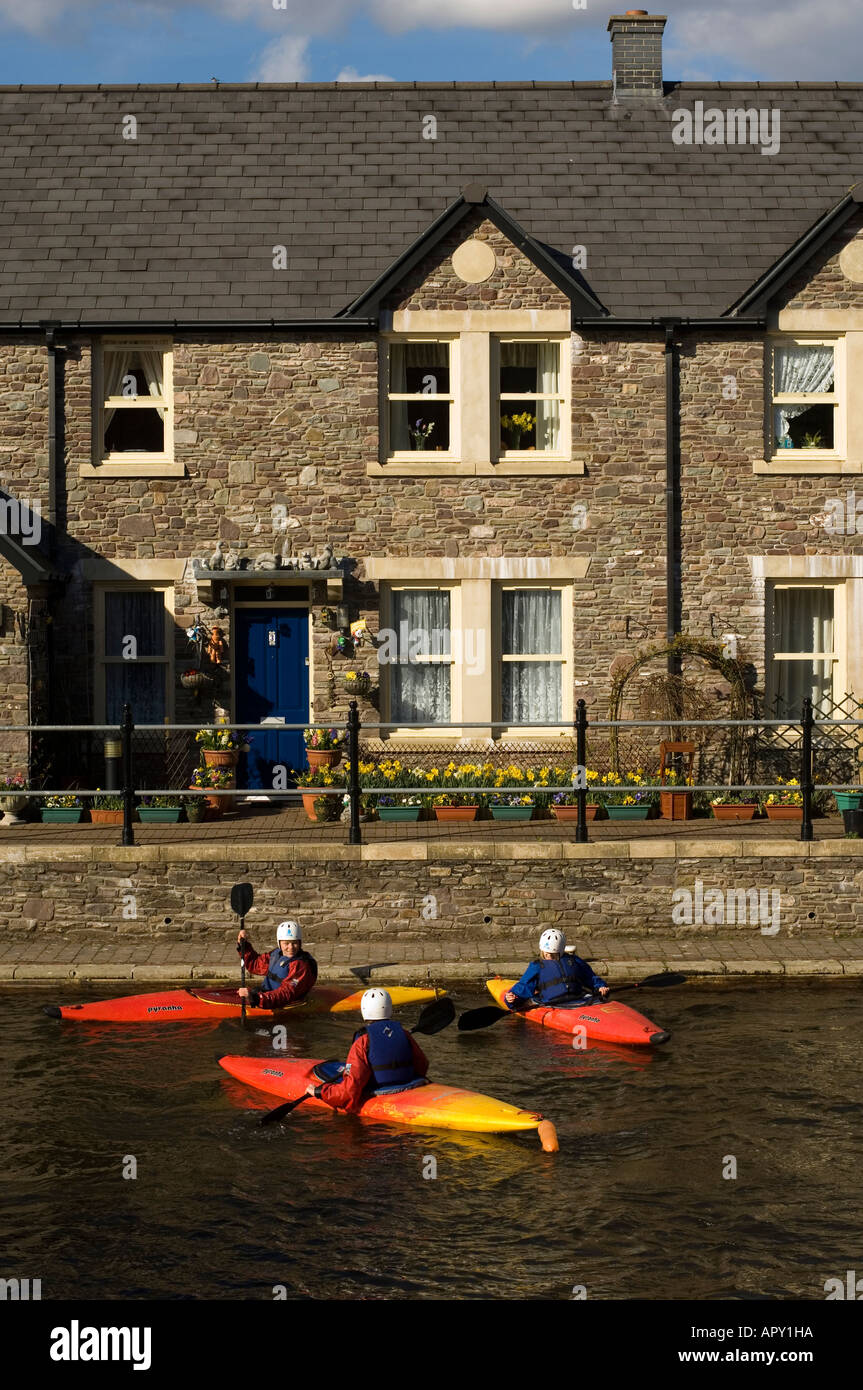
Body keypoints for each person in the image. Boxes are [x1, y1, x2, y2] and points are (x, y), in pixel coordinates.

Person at [304, 987, 428, 1113]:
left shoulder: (363, 1041)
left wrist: (320, 1092)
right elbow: (422, 1064)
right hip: (411, 1085)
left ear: (364, 1009)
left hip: (381, 1092)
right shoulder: (403, 1033)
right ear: (389, 1008)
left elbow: (348, 1093)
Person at [504, 929, 610, 1010]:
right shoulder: (537, 966)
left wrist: (600, 987)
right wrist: (512, 998)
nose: (548, 955)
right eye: (546, 953)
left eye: (552, 954)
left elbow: (591, 977)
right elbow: (524, 986)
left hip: (579, 1000)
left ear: (560, 951)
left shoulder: (574, 961)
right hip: (553, 1005)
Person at [236, 920, 317, 1009]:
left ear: (299, 943)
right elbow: (255, 964)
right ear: (279, 943)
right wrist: (244, 946)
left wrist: (257, 999)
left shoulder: (300, 966)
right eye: (286, 943)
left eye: (294, 943)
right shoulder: (276, 954)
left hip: (281, 1002)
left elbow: (287, 992)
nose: (290, 947)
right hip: (267, 997)